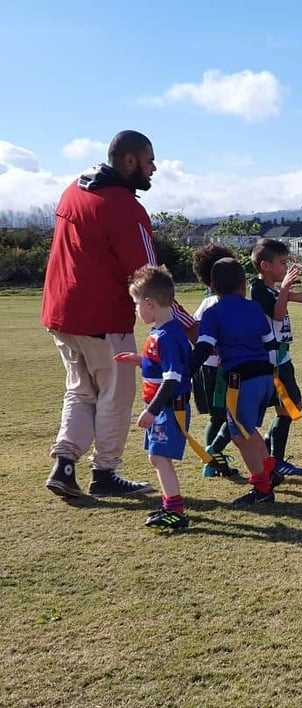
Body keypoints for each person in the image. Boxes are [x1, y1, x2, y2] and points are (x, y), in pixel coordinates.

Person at [43, 130, 195, 499]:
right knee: (114, 395)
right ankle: (105, 471)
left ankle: (65, 464)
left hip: (59, 312)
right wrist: (191, 325)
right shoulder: (126, 208)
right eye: (149, 160)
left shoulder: (72, 191)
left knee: (80, 392)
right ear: (129, 161)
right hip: (103, 318)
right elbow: (152, 278)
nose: (154, 167)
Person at [190, 258, 281, 506]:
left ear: (211, 285)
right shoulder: (253, 308)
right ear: (243, 283)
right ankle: (270, 469)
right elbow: (271, 344)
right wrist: (274, 379)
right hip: (265, 377)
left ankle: (262, 488)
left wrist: (185, 373)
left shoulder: (212, 313)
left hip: (240, 380)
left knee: (240, 436)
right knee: (249, 432)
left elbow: (203, 348)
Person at [114, 266, 193, 529]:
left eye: (136, 304)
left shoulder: (168, 335)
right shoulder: (160, 331)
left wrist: (152, 411)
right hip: (161, 407)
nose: (135, 310)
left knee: (159, 458)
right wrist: (141, 360)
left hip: (167, 408)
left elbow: (173, 378)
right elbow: (162, 366)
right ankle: (171, 505)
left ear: (149, 303)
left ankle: (175, 510)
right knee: (156, 457)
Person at [249, 239, 302, 477]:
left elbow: (298, 297)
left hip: (283, 358)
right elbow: (278, 313)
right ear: (265, 265)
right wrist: (284, 289)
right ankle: (276, 459)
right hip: (271, 361)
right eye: (282, 263)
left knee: (289, 407)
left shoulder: (273, 288)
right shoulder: (258, 289)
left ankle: (271, 450)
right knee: (287, 408)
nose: (285, 267)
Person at [191, 244, 241, 479]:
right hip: (219, 369)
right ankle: (211, 459)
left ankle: (213, 459)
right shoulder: (214, 304)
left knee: (222, 416)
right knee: (230, 416)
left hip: (212, 368)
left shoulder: (207, 303)